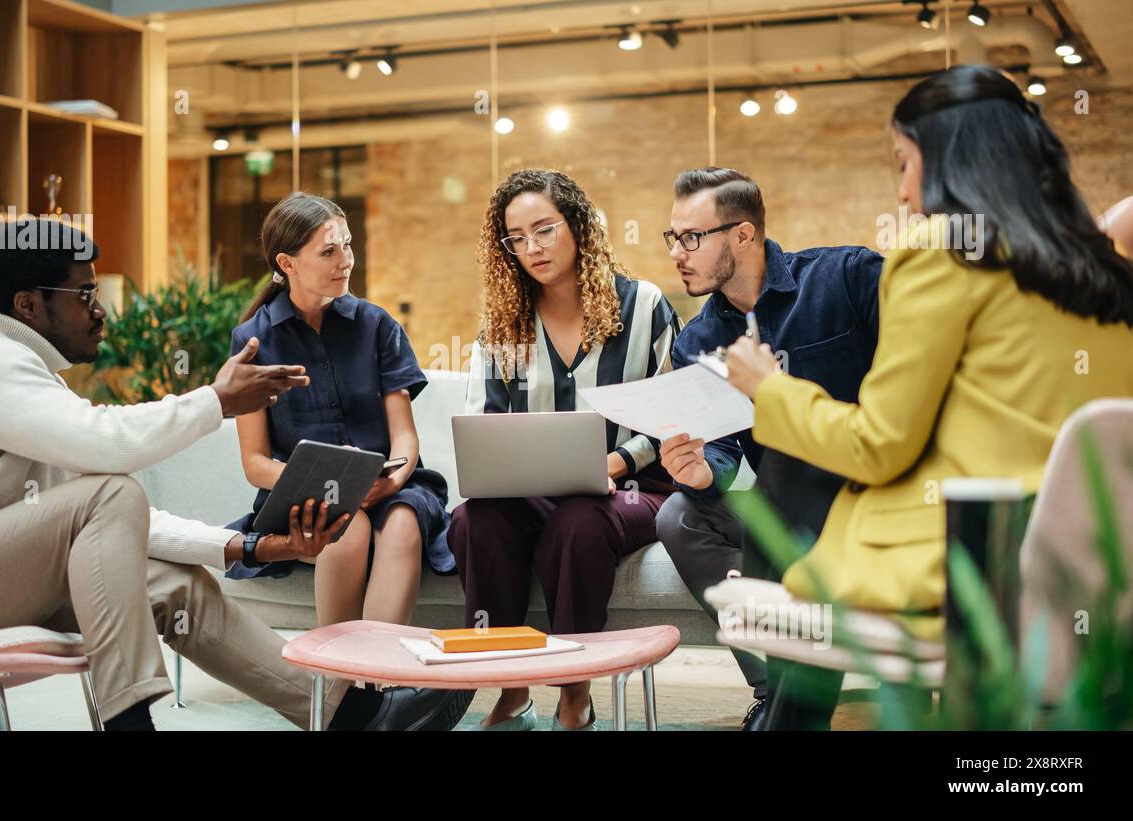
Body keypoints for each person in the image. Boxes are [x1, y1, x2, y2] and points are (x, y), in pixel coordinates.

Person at [0, 218, 472, 731]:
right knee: (110, 491)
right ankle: (130, 725)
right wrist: (215, 402)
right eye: (84, 296)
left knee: (172, 584)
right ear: (27, 305)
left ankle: (348, 713)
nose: (101, 312)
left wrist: (250, 545)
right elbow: (105, 452)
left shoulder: (29, 381)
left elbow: (116, 524)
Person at [723, 64, 1133, 729]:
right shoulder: (1108, 274)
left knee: (793, 463)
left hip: (973, 563)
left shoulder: (940, 252)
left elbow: (878, 445)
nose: (904, 193)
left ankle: (784, 704)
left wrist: (769, 389)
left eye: (905, 164)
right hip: (1097, 573)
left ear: (949, 161)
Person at [448, 169, 680, 731]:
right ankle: (510, 686)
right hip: (532, 493)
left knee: (578, 523)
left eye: (544, 229)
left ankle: (575, 688)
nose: (532, 248)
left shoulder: (643, 305)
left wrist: (618, 462)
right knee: (473, 521)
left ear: (577, 224)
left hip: (629, 489)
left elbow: (673, 417)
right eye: (517, 237)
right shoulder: (503, 322)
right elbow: (485, 423)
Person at [653, 167, 884, 730]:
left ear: (742, 234)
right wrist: (703, 471)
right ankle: (777, 681)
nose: (678, 254)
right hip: (783, 505)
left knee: (786, 501)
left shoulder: (847, 277)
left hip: (877, 486)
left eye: (692, 237)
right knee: (680, 513)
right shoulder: (699, 341)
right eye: (672, 238)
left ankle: (794, 688)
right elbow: (726, 451)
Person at [224, 192, 453, 631]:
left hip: (393, 487)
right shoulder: (253, 341)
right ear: (287, 263)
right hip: (304, 496)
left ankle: (384, 681)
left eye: (347, 245)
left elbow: (403, 437)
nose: (345, 260)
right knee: (347, 527)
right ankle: (339, 683)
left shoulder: (378, 326)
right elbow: (255, 463)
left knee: (403, 522)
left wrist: (393, 479)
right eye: (329, 251)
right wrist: (325, 485)